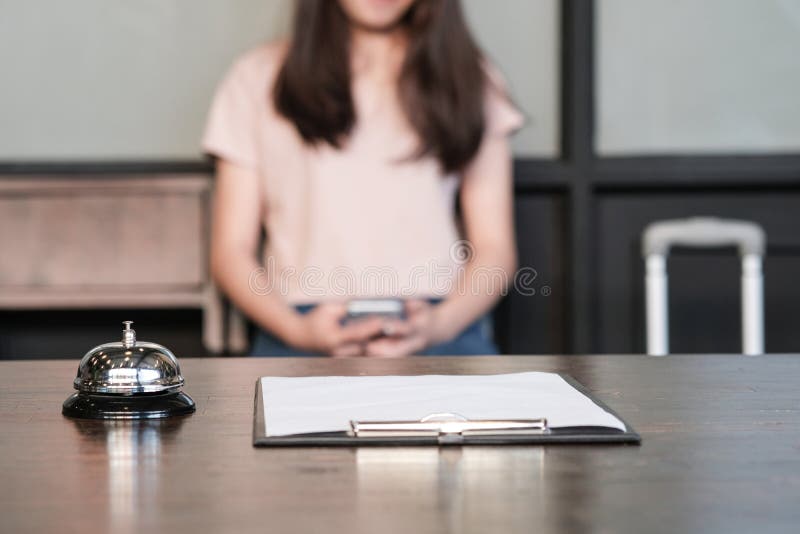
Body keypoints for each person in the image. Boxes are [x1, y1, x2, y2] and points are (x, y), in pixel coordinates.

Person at [203, 0, 523, 357]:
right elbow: (231, 253)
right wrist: (297, 330)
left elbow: (495, 249)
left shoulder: (470, 77)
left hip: (441, 322)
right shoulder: (255, 77)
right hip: (297, 326)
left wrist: (439, 325)